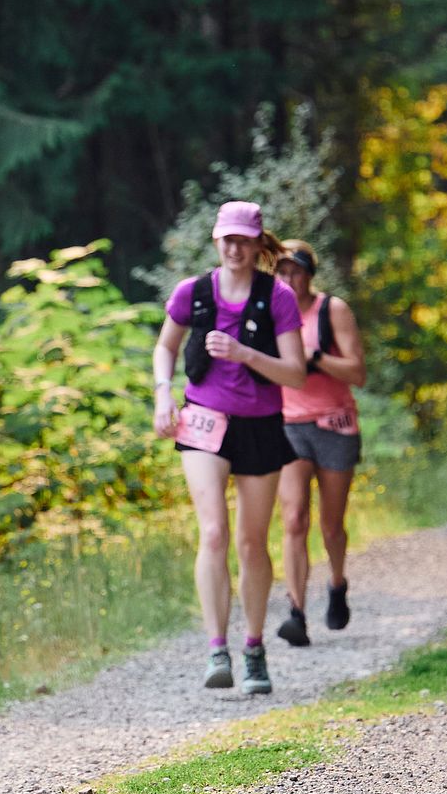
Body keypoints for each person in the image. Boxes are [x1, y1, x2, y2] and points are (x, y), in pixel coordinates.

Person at [152, 201, 308, 694]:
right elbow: (165, 346)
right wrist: (162, 392)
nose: (234, 247)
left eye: (243, 239)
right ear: (216, 241)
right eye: (227, 239)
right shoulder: (193, 293)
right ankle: (216, 649)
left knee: (250, 542)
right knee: (214, 532)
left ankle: (254, 648)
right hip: (202, 421)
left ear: (259, 244)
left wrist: (243, 353)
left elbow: (296, 373)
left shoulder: (277, 296)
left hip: (260, 425)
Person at [273, 239, 366, 647]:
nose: (288, 279)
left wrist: (315, 357)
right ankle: (296, 611)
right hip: (288, 425)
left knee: (331, 525)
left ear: (309, 274)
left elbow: (358, 372)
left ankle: (337, 582)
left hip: (334, 424)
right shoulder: (272, 312)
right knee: (294, 519)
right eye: (281, 271)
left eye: (294, 271)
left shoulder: (333, 310)